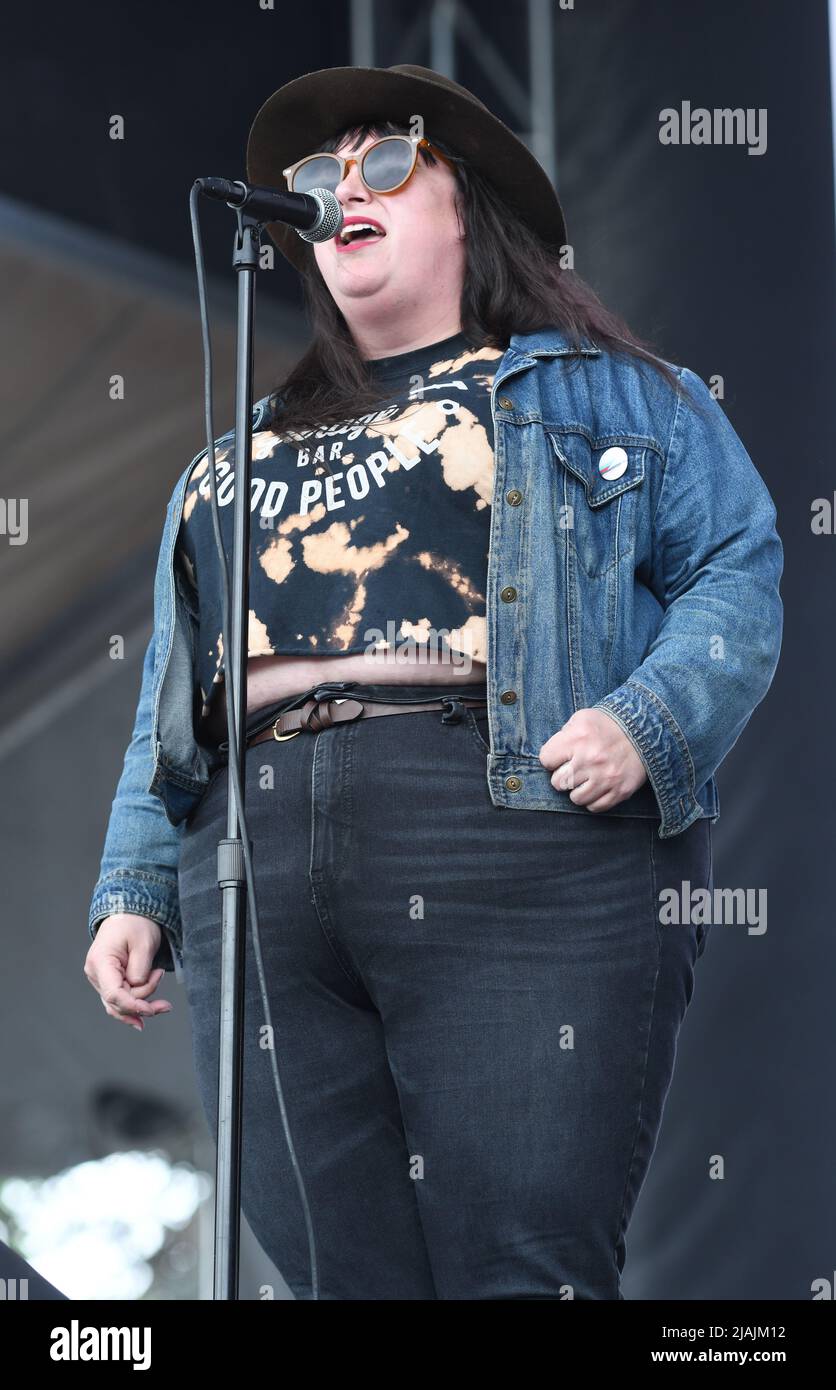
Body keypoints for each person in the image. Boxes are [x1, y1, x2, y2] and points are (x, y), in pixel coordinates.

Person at [83, 64, 783, 1300]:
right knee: (337, 1275)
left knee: (522, 1262)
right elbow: (170, 694)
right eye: (316, 176)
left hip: (508, 821)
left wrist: (649, 719)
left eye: (388, 163)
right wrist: (136, 883)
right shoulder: (226, 457)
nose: (342, 187)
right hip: (251, 862)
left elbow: (735, 564)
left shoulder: (606, 393)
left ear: (474, 213)